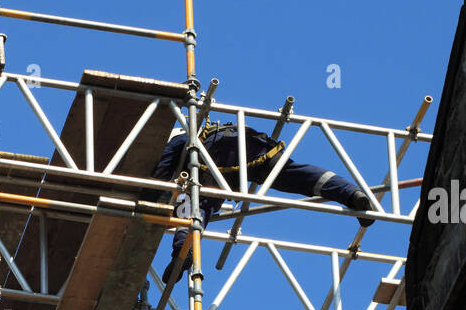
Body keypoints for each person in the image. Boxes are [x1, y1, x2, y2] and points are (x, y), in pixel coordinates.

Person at [153, 119, 375, 280]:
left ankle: (183, 251)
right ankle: (352, 194)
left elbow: (161, 175)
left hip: (216, 153)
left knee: (194, 204)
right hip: (253, 145)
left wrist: (156, 202)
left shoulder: (178, 137)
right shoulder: (196, 130)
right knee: (296, 176)